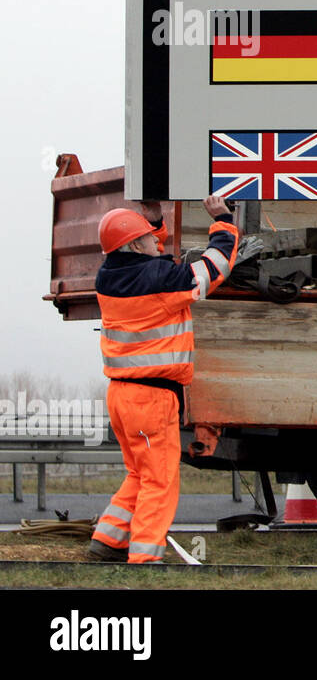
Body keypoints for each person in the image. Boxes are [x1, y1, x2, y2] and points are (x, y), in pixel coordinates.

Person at [88, 195, 238, 564]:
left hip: (122, 395)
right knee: (160, 480)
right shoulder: (159, 280)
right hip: (152, 400)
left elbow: (150, 261)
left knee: (139, 473)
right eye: (149, 238)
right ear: (133, 244)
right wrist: (223, 223)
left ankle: (108, 539)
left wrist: (154, 221)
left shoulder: (109, 276)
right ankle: (145, 557)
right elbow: (212, 270)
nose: (157, 243)